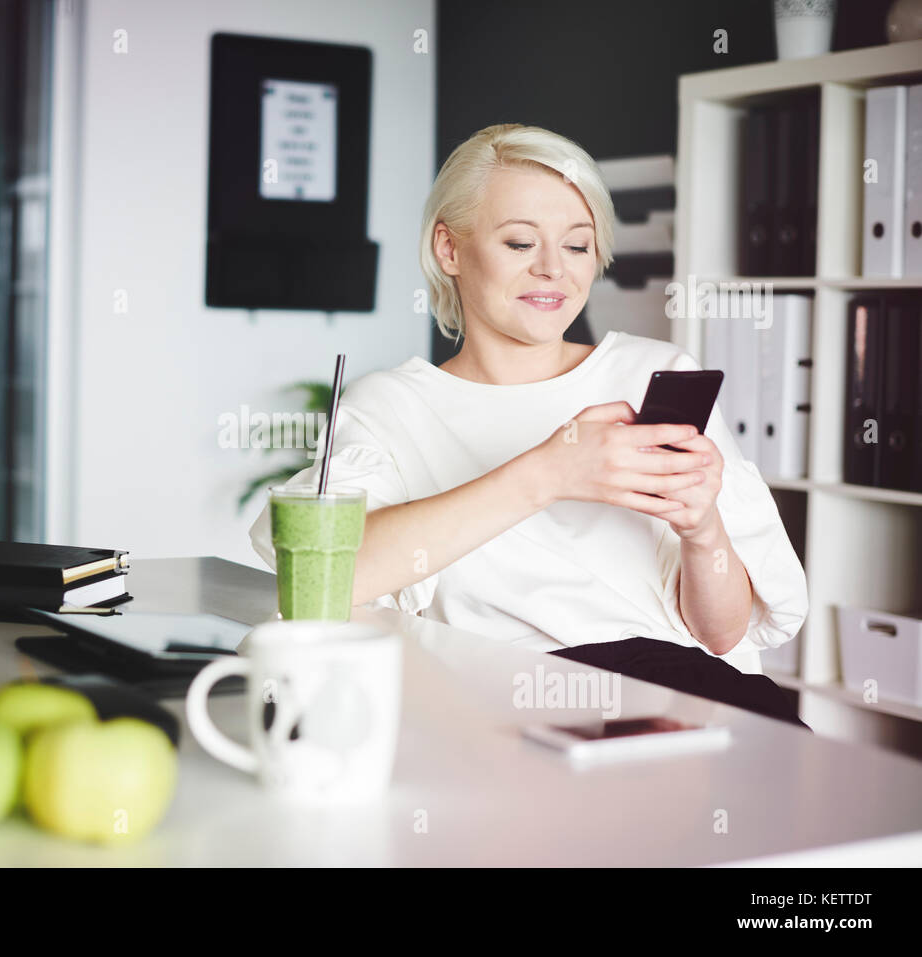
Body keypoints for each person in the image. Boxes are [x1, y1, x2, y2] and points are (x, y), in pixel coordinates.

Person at [248, 123, 810, 728]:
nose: (554, 271)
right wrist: (546, 473)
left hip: (682, 703)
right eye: (520, 243)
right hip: (505, 714)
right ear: (449, 249)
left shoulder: (653, 373)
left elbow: (722, 636)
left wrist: (703, 529)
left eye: (577, 246)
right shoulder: (389, 407)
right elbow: (326, 577)